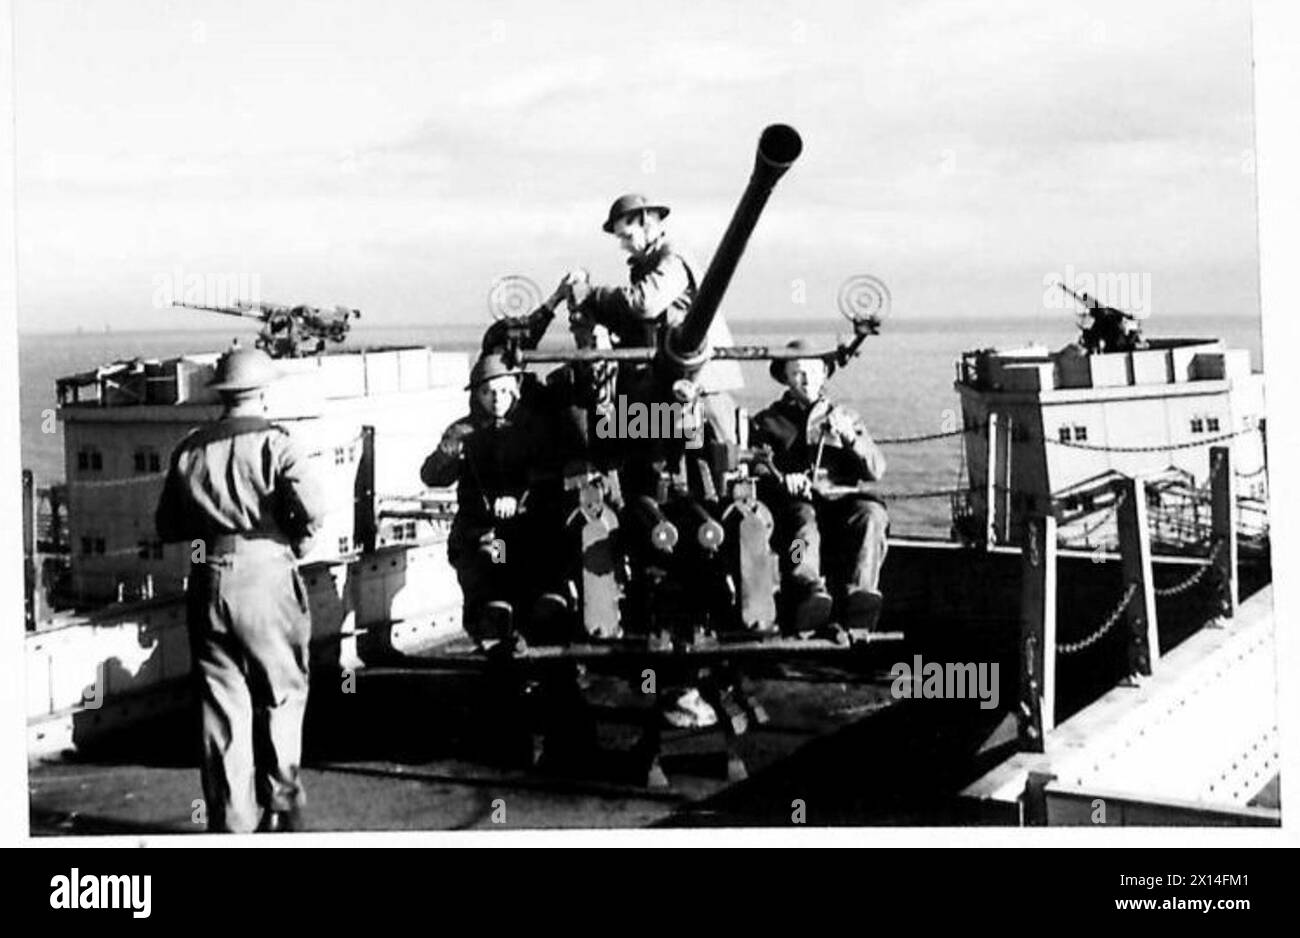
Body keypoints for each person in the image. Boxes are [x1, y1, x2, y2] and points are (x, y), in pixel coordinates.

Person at [155, 347, 328, 833]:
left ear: (221, 392)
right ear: (262, 389)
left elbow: (167, 524)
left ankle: (232, 824)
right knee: (281, 693)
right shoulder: (278, 443)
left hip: (208, 576)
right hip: (267, 572)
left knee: (221, 706)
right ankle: (281, 806)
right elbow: (314, 508)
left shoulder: (190, 447)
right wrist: (295, 539)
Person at [422, 352, 567, 650]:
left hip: (528, 529)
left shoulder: (532, 428)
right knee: (489, 573)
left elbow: (547, 473)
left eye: (502, 390)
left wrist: (519, 500)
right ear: (477, 395)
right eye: (488, 392)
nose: (496, 399)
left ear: (514, 388)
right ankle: (494, 628)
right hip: (486, 532)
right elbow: (432, 476)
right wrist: (448, 453)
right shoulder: (464, 431)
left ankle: (536, 628)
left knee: (539, 580)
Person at [750, 340, 889, 639]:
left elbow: (876, 469)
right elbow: (756, 466)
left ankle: (860, 597)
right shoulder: (767, 421)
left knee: (870, 514)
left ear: (824, 373)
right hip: (796, 504)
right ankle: (807, 591)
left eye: (813, 371)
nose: (807, 379)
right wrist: (781, 478)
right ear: (785, 377)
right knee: (803, 526)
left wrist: (852, 438)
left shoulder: (845, 416)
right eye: (797, 372)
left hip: (840, 501)